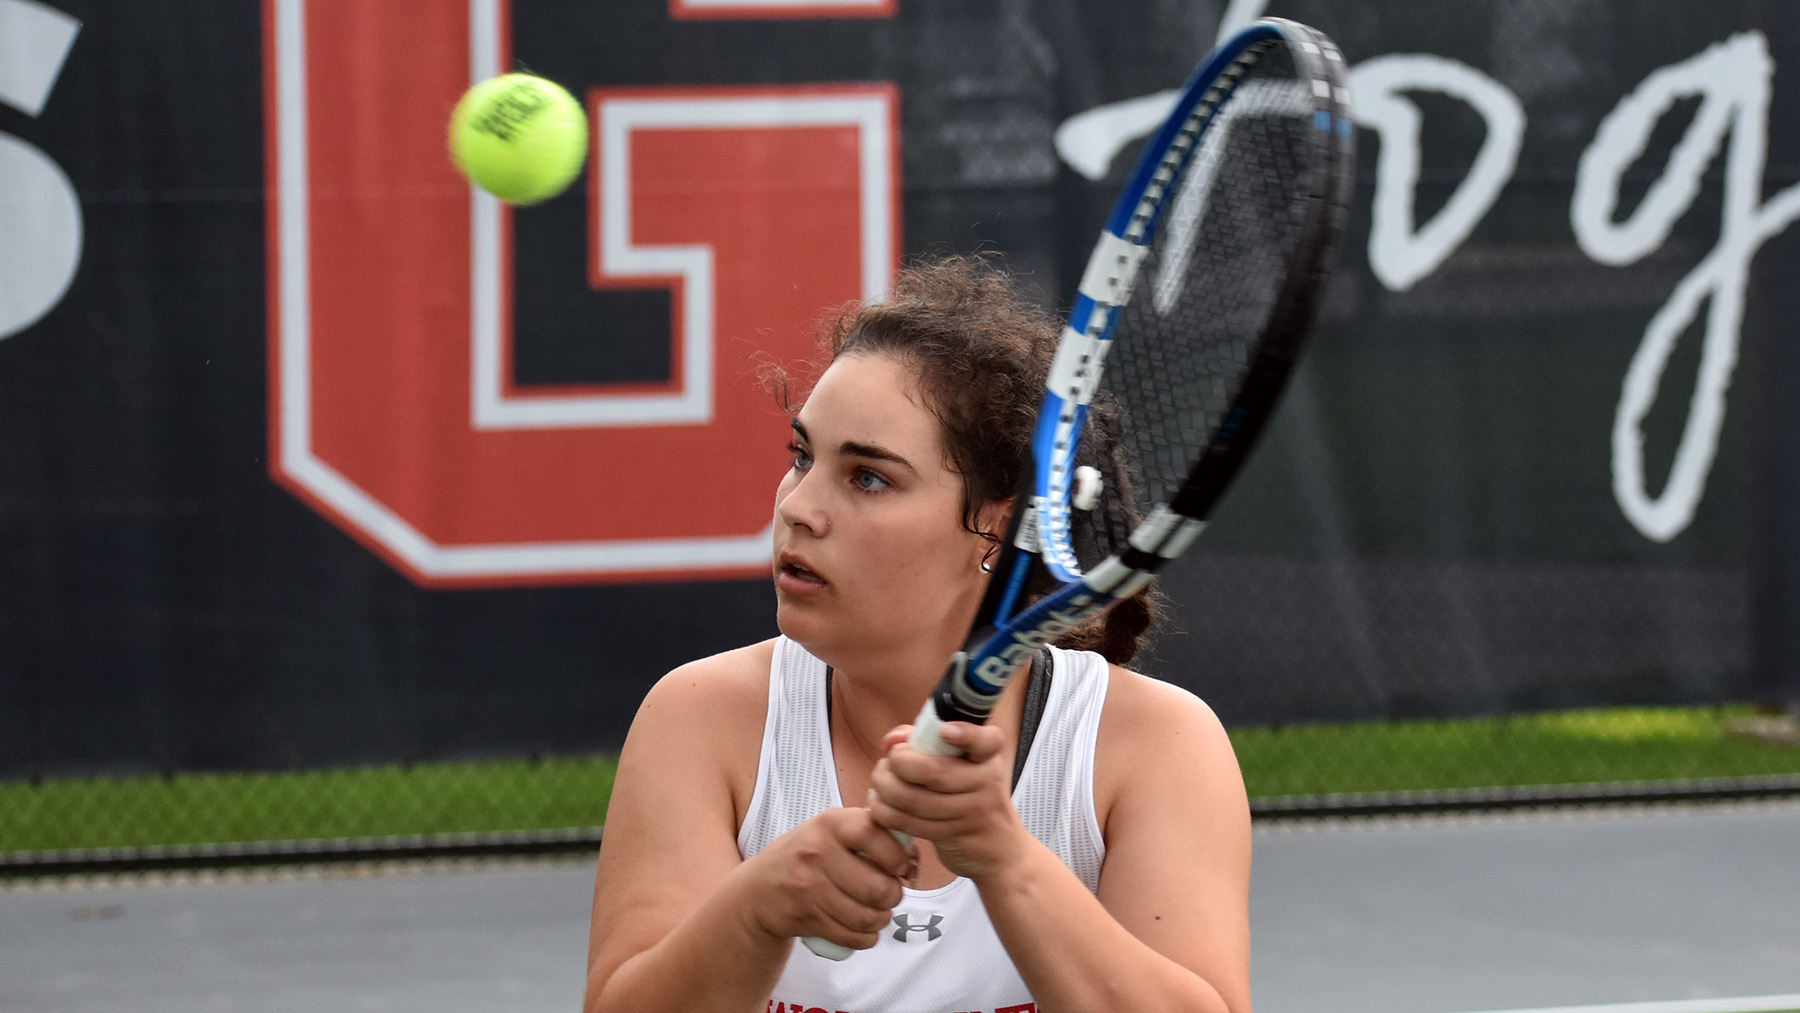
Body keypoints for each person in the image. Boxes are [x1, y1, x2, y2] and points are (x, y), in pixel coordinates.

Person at [583, 255, 1252, 1013]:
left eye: (869, 477)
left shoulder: (1155, 744)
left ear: (995, 528)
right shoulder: (699, 718)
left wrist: (1004, 861)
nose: (801, 506)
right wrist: (756, 908)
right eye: (802, 456)